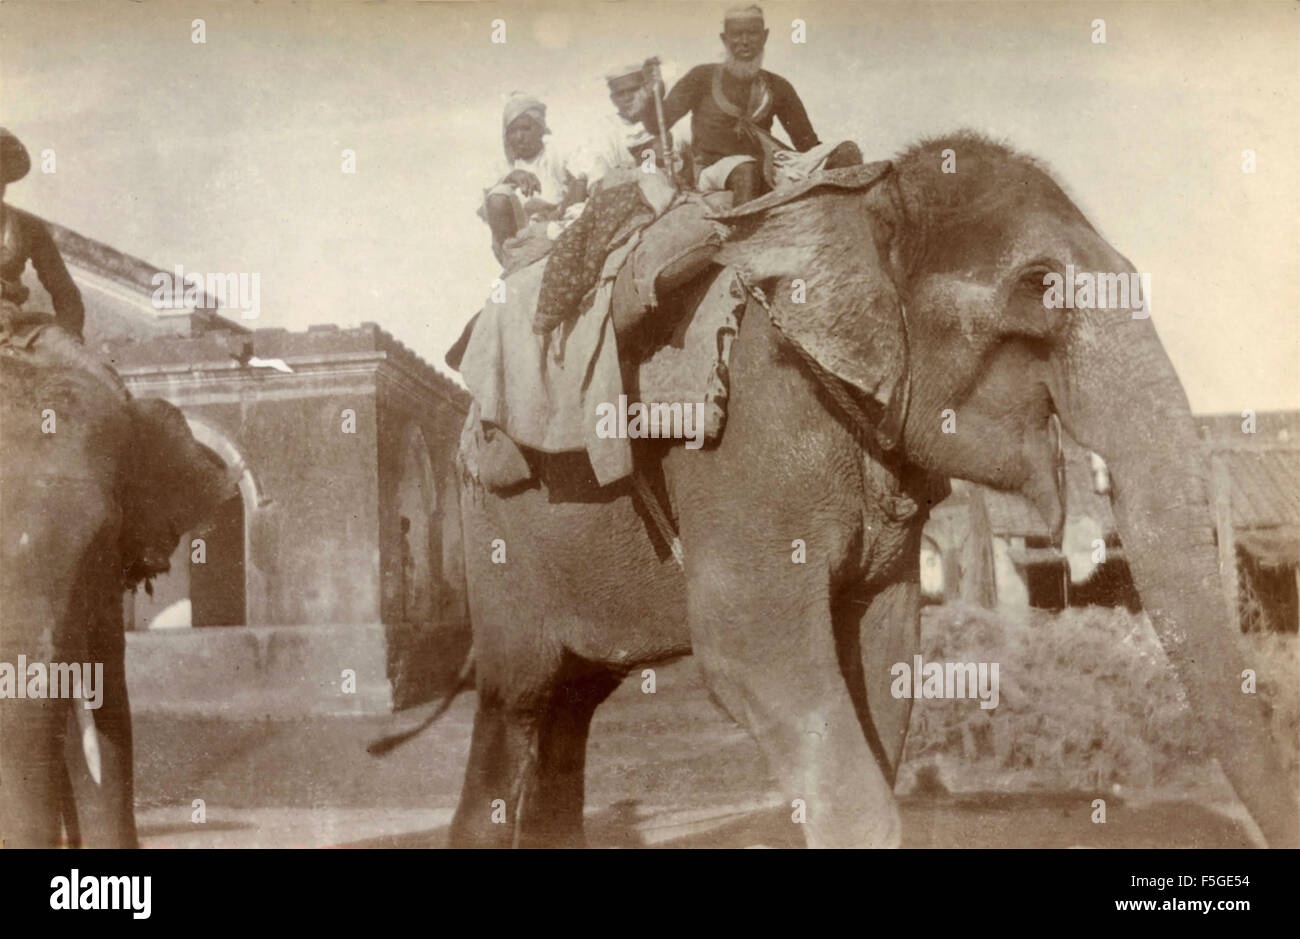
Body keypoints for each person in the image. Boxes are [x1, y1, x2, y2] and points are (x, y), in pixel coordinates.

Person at [641, 4, 855, 204]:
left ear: (765, 37)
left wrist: (829, 159)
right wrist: (654, 95)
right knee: (746, 170)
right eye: (737, 34)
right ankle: (743, 237)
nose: (745, 41)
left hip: (770, 165)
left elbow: (806, 143)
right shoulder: (701, 77)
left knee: (845, 150)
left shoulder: (778, 86)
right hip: (714, 169)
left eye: (752, 33)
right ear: (725, 39)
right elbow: (655, 125)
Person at [479, 94, 586, 268]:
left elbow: (581, 180)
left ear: (540, 128)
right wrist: (509, 179)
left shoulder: (555, 153)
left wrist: (559, 211)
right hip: (519, 241)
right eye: (512, 131)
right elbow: (486, 209)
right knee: (497, 196)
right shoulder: (503, 166)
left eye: (525, 128)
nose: (519, 137)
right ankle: (516, 260)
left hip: (558, 227)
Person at [1, 127, 85, 339]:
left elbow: (64, 291)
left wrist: (71, 332)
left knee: (80, 363)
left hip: (12, 323)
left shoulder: (28, 226)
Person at [573, 64, 682, 192]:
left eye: (633, 90)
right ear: (613, 99)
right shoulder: (604, 130)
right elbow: (597, 176)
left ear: (646, 90)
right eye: (620, 94)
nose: (627, 98)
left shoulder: (666, 118)